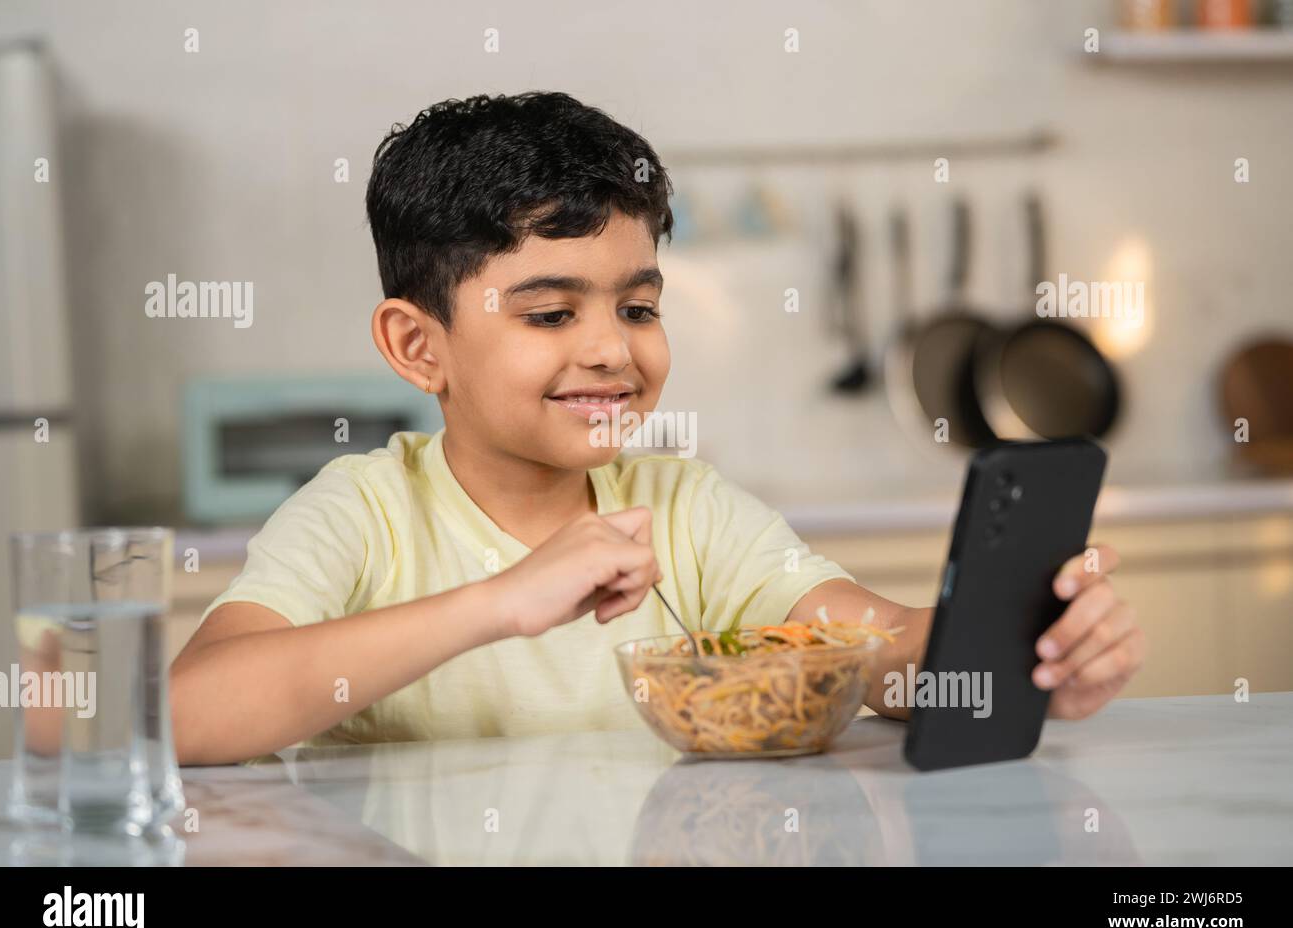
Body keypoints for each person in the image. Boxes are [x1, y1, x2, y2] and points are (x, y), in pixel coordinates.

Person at [171, 92, 1145, 765]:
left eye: (637, 309)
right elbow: (185, 714)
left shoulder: (684, 509)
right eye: (551, 314)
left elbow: (874, 645)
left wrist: (1010, 651)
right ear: (418, 346)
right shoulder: (364, 513)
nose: (611, 351)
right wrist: (499, 601)